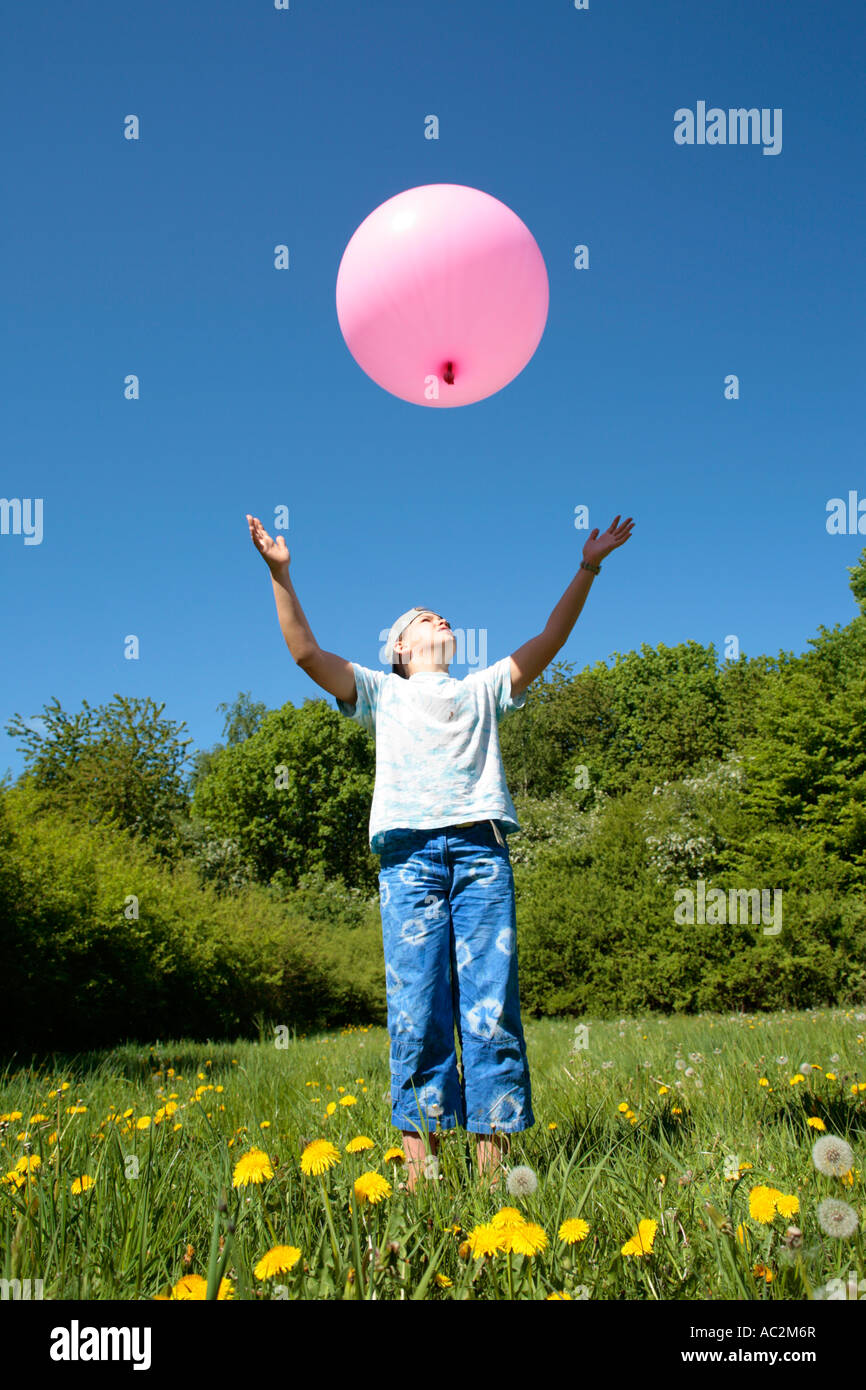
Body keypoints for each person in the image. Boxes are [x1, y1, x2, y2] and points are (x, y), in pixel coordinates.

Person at [246, 511, 634, 1192]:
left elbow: (549, 638)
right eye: (426, 617)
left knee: (491, 1006)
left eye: (444, 616)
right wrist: (281, 573)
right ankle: (420, 1172)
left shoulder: (483, 690)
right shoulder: (379, 691)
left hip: (482, 856)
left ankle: (493, 1176)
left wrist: (588, 567)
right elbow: (307, 655)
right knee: (418, 1005)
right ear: (399, 646)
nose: (441, 620)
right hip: (410, 861)